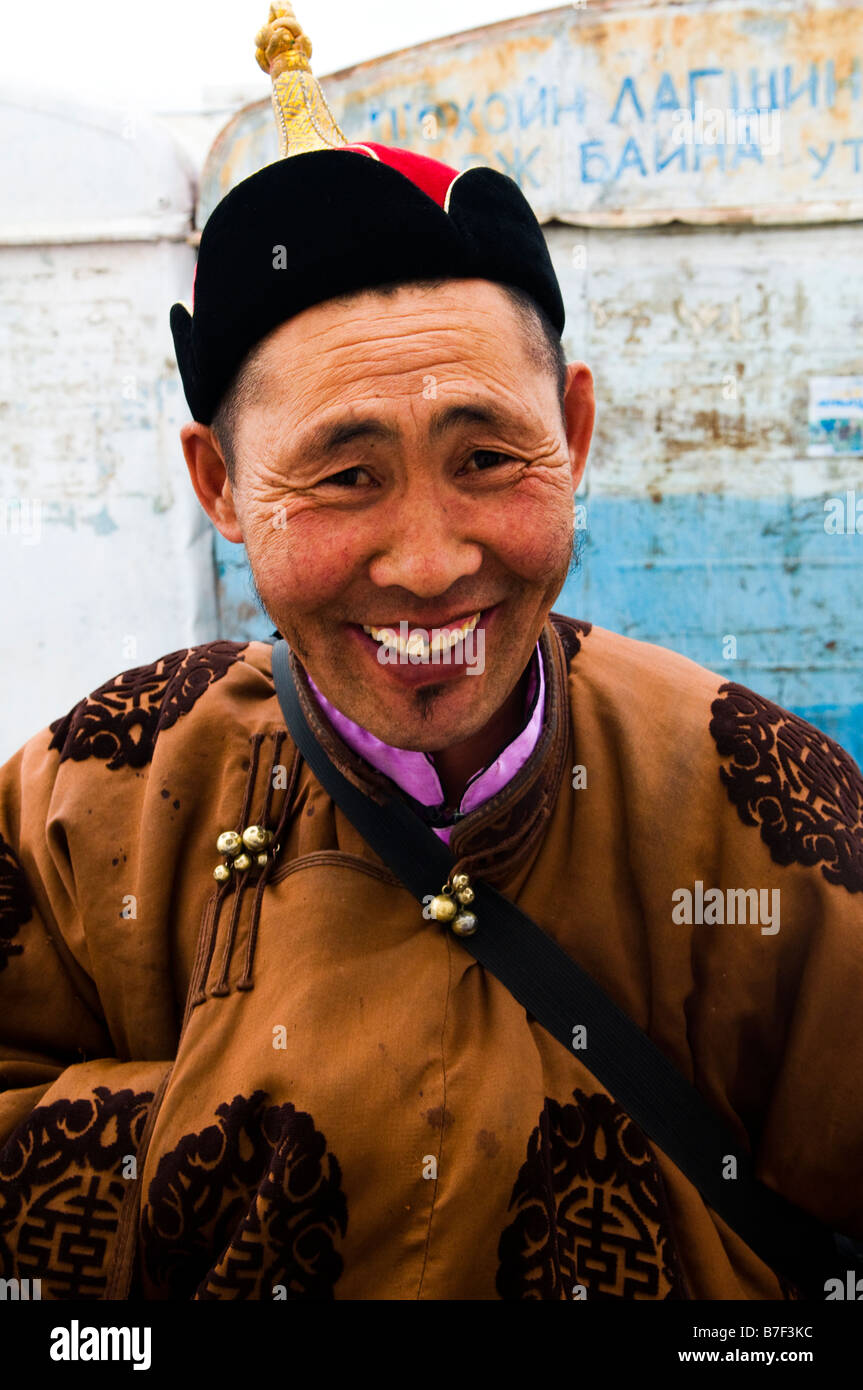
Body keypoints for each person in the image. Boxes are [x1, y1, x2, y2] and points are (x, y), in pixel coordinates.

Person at [1, 2, 861, 1302]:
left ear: (573, 431)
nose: (428, 561)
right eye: (346, 476)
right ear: (220, 484)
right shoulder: (99, 788)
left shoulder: (764, 807)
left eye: (488, 458)